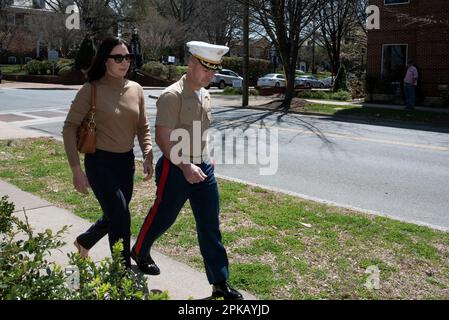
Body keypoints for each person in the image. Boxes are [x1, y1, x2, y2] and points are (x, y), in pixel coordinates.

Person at [131, 41, 243, 300]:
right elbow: (163, 137)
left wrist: (205, 158)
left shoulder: (205, 93)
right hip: (176, 166)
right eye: (206, 69)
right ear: (192, 63)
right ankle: (140, 250)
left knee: (209, 225)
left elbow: (199, 132)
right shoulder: (173, 95)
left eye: (214, 70)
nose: (211, 75)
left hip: (202, 167)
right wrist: (185, 165)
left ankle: (219, 283)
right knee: (163, 216)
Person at [62, 37, 153, 268]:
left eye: (128, 57)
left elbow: (143, 127)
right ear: (105, 60)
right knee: (121, 216)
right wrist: (76, 170)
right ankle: (121, 273)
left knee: (116, 214)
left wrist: (148, 153)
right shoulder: (91, 89)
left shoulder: (136, 89)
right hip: (100, 162)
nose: (125, 62)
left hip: (126, 163)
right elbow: (69, 127)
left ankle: (84, 241)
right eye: (118, 57)